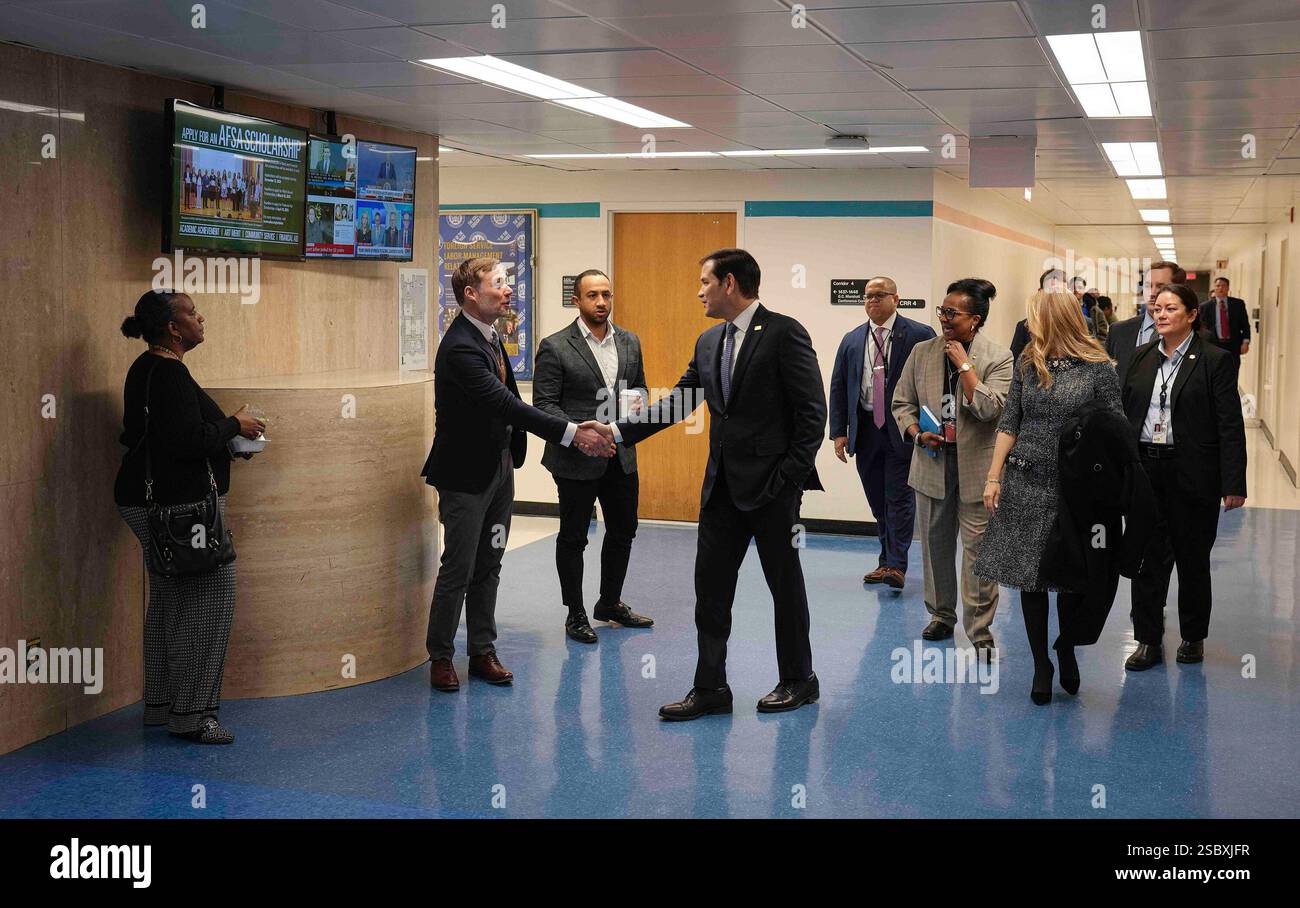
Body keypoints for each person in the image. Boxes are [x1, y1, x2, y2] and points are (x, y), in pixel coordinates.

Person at [589, 248, 826, 719]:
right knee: (711, 591)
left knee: (785, 586)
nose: (699, 292)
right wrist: (615, 431)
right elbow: (679, 402)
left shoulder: (783, 332)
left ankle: (800, 679)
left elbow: (812, 415)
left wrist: (788, 480)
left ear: (730, 284)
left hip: (773, 490)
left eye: (705, 283)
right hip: (721, 490)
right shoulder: (708, 341)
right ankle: (711, 687)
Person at [420, 258, 614, 693]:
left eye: (508, 283)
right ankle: (441, 656)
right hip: (466, 475)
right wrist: (572, 433)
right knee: (460, 566)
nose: (508, 290)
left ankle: (483, 651)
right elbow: (506, 405)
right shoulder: (460, 347)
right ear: (471, 293)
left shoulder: (489, 337)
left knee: (489, 563)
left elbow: (508, 401)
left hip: (500, 466)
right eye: (499, 283)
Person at [114, 290, 265, 744]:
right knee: (212, 600)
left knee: (169, 600)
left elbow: (168, 436)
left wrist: (226, 438)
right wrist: (235, 426)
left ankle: (162, 706)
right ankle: (194, 716)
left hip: (151, 501)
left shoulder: (148, 368)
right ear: (173, 328)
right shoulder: (169, 374)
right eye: (190, 312)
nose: (200, 317)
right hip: (183, 511)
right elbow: (186, 441)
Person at [975, 291, 1123, 704]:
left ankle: (1067, 647)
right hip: (1026, 479)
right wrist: (993, 476)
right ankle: (1041, 662)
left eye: (1033, 316)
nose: (1029, 323)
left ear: (1052, 318)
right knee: (1030, 575)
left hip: (1076, 486)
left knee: (1072, 573)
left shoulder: (1098, 367)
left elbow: (1115, 426)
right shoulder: (1027, 360)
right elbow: (1010, 421)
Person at [1122, 283, 1247, 671]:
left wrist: (1233, 482)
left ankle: (1193, 636)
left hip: (1192, 473)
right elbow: (1124, 415)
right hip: (1146, 470)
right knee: (1145, 560)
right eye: (1156, 308)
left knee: (1193, 560)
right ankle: (1147, 639)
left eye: (1170, 308)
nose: (1160, 314)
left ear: (1192, 315)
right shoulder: (1140, 358)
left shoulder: (1214, 360)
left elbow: (1230, 424)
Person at [532, 269, 654, 643]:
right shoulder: (555, 346)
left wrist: (635, 409)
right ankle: (576, 613)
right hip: (574, 460)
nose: (601, 302)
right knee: (574, 537)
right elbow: (544, 405)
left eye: (606, 294)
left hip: (620, 455)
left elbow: (641, 390)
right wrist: (580, 434)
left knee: (623, 531)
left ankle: (610, 603)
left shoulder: (630, 342)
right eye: (592, 296)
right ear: (577, 301)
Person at [892, 279, 1012, 656]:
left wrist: (964, 365)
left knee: (979, 551)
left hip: (977, 467)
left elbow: (991, 408)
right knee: (934, 546)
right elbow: (901, 402)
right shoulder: (921, 352)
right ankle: (941, 615)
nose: (943, 318)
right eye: (942, 311)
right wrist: (915, 432)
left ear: (975, 320)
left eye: (952, 313)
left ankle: (979, 631)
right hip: (931, 462)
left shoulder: (998, 357)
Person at [828, 275, 935, 589]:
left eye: (879, 295)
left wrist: (927, 428)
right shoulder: (851, 339)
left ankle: (896, 565)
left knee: (899, 497)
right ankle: (886, 560)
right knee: (877, 499)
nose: (872, 300)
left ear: (896, 299)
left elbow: (931, 382)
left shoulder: (919, 334)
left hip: (903, 429)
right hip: (865, 429)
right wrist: (838, 432)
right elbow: (838, 387)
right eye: (867, 296)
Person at [1107, 260, 1185, 382]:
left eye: (1161, 286)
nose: (1152, 293)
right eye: (1148, 286)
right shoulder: (1118, 332)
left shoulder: (1193, 335)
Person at [1010, 267, 1067, 361]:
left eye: (1062, 291)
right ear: (1040, 292)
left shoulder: (1082, 324)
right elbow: (1014, 364)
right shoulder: (1025, 326)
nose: (1057, 296)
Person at [1199, 277, 1251, 360]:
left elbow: (1245, 325)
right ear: (1214, 288)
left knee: (1232, 370)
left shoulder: (1238, 304)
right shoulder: (1205, 307)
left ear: (1228, 288)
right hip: (1213, 344)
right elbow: (1201, 327)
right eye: (1218, 286)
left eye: (1223, 286)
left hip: (1233, 345)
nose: (1220, 288)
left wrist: (1246, 342)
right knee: (1214, 370)